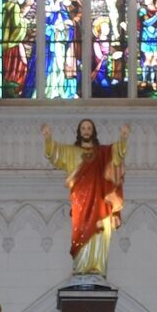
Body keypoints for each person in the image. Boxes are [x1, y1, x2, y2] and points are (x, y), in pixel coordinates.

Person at [44, 118, 129, 280]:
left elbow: (117, 155)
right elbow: (55, 154)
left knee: (100, 230)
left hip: (99, 202)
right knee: (81, 231)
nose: (86, 131)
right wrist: (48, 138)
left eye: (89, 128)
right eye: (83, 128)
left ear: (93, 131)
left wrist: (123, 138)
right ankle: (81, 266)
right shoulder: (71, 152)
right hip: (80, 201)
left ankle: (97, 267)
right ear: (79, 131)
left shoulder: (102, 153)